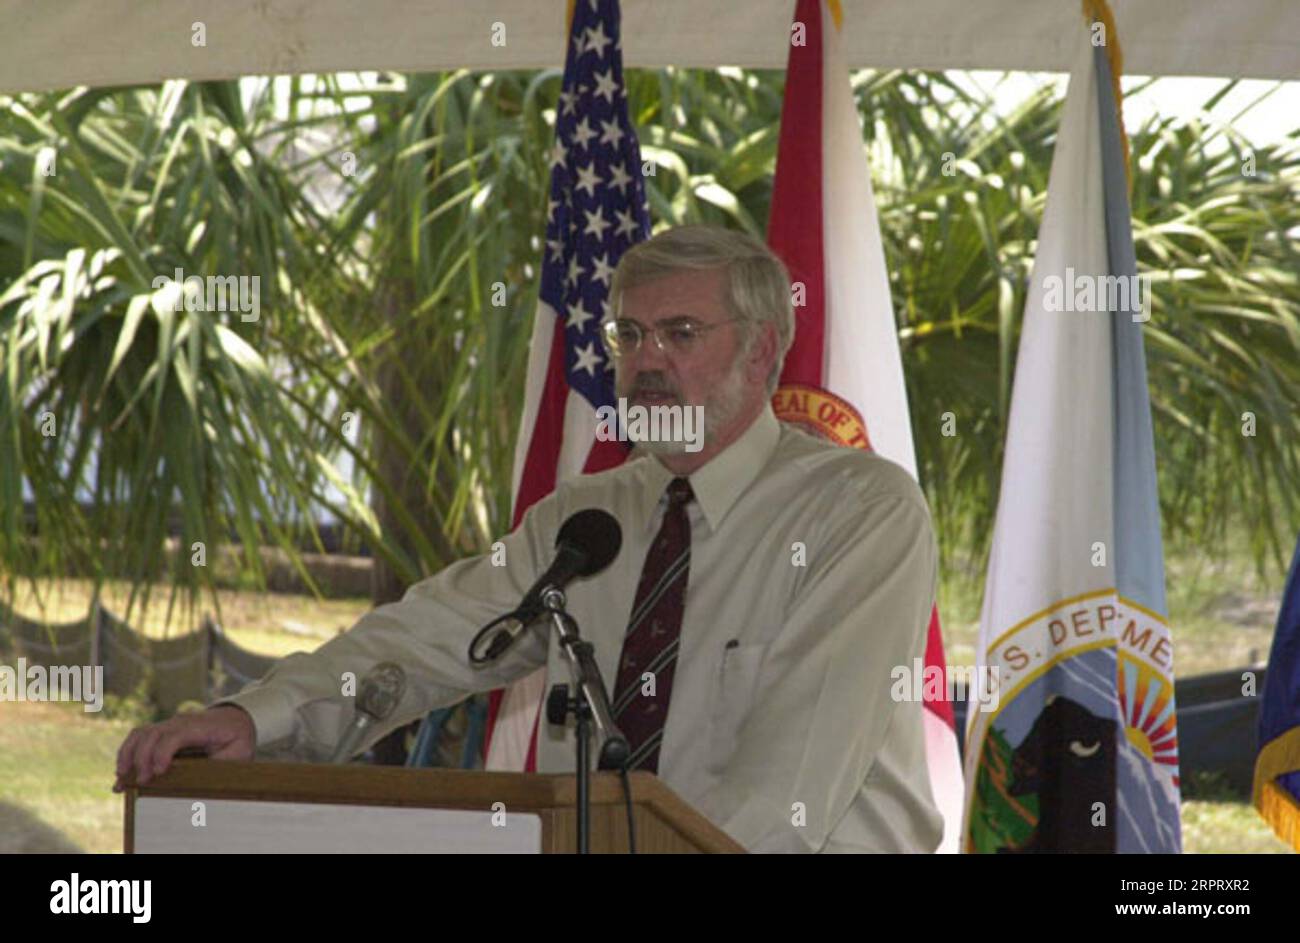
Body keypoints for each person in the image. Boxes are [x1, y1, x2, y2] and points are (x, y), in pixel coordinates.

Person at [115, 224, 944, 853]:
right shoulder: (590, 517)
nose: (644, 361)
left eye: (680, 334)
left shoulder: (859, 513)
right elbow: (432, 636)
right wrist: (260, 718)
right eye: (628, 335)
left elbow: (786, 788)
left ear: (763, 348)